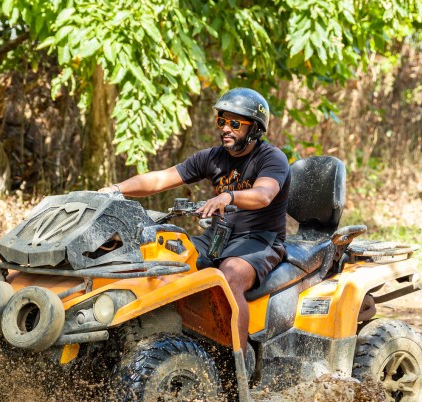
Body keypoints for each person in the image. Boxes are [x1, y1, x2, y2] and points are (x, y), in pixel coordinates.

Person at [99, 88, 291, 371]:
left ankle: (238, 364)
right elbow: (160, 179)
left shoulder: (272, 158)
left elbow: (264, 195)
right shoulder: (213, 157)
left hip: (260, 241)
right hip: (216, 238)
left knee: (231, 274)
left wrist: (229, 197)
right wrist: (115, 190)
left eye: (234, 123)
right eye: (222, 121)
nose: (225, 128)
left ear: (254, 128)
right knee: (165, 261)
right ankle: (150, 345)